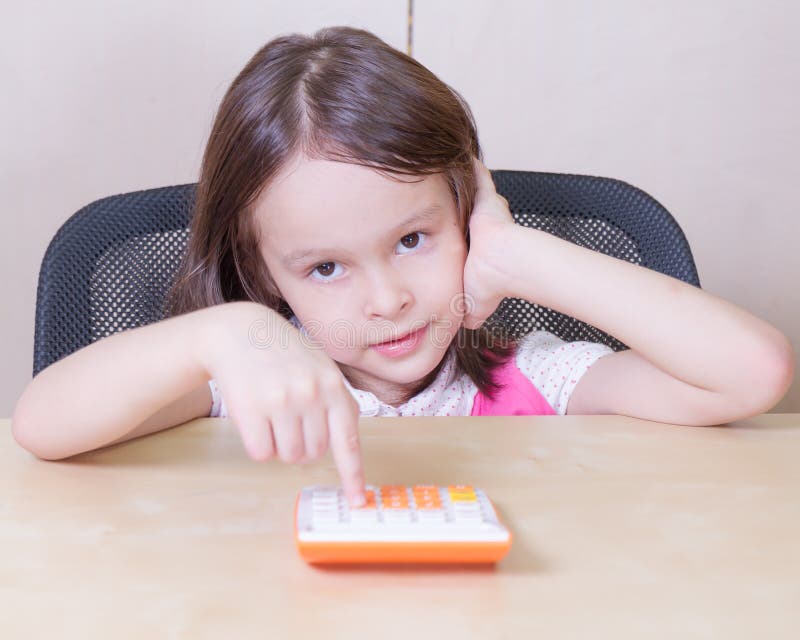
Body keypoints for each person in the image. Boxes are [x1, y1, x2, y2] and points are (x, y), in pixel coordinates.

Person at [12, 27, 794, 509]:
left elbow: (751, 373)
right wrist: (230, 333)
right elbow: (43, 425)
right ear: (264, 270)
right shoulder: (246, 386)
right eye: (323, 268)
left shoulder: (533, 380)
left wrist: (518, 256)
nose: (386, 299)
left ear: (465, 215)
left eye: (414, 240)